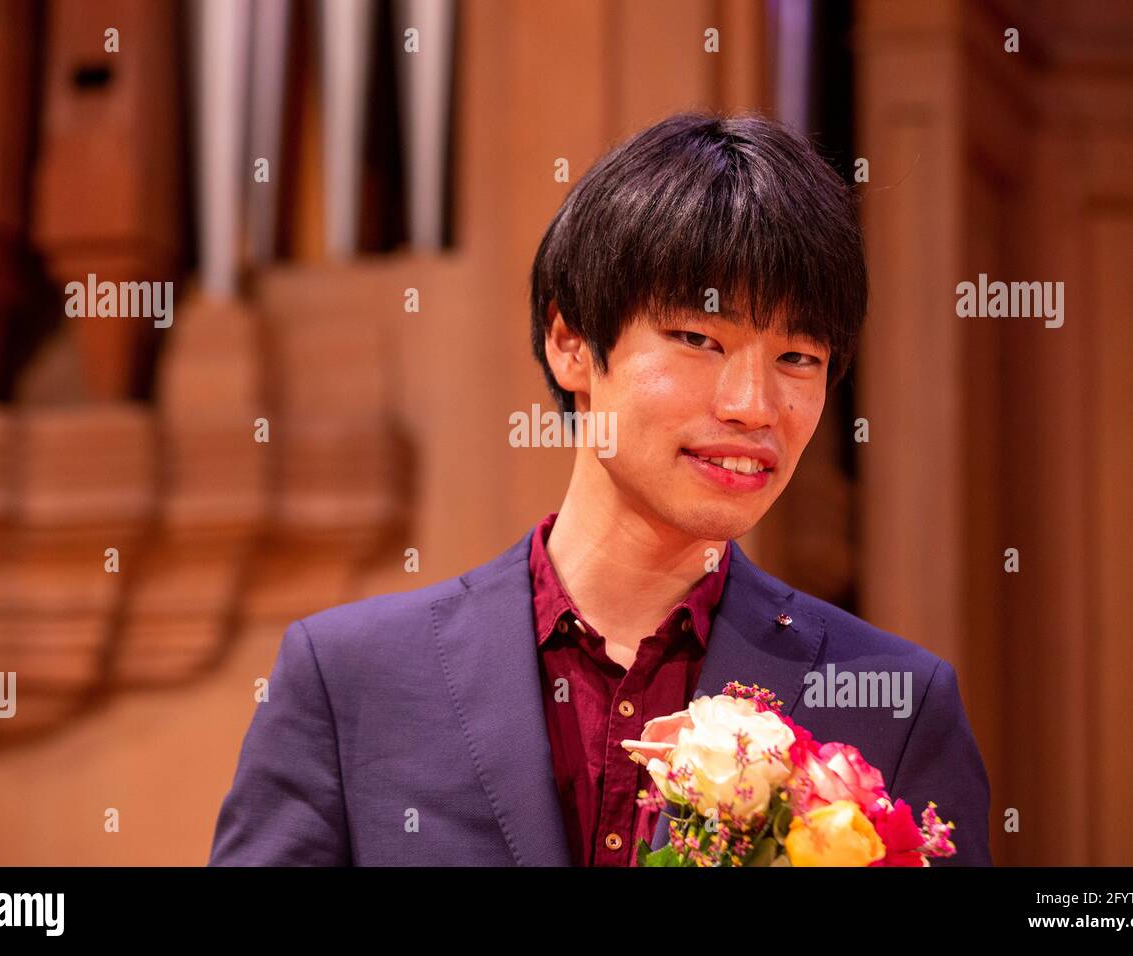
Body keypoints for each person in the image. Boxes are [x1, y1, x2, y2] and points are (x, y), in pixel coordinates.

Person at [208, 111, 992, 867]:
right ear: (570, 343)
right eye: (699, 339)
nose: (754, 405)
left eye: (799, 358)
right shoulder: (351, 679)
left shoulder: (895, 704)